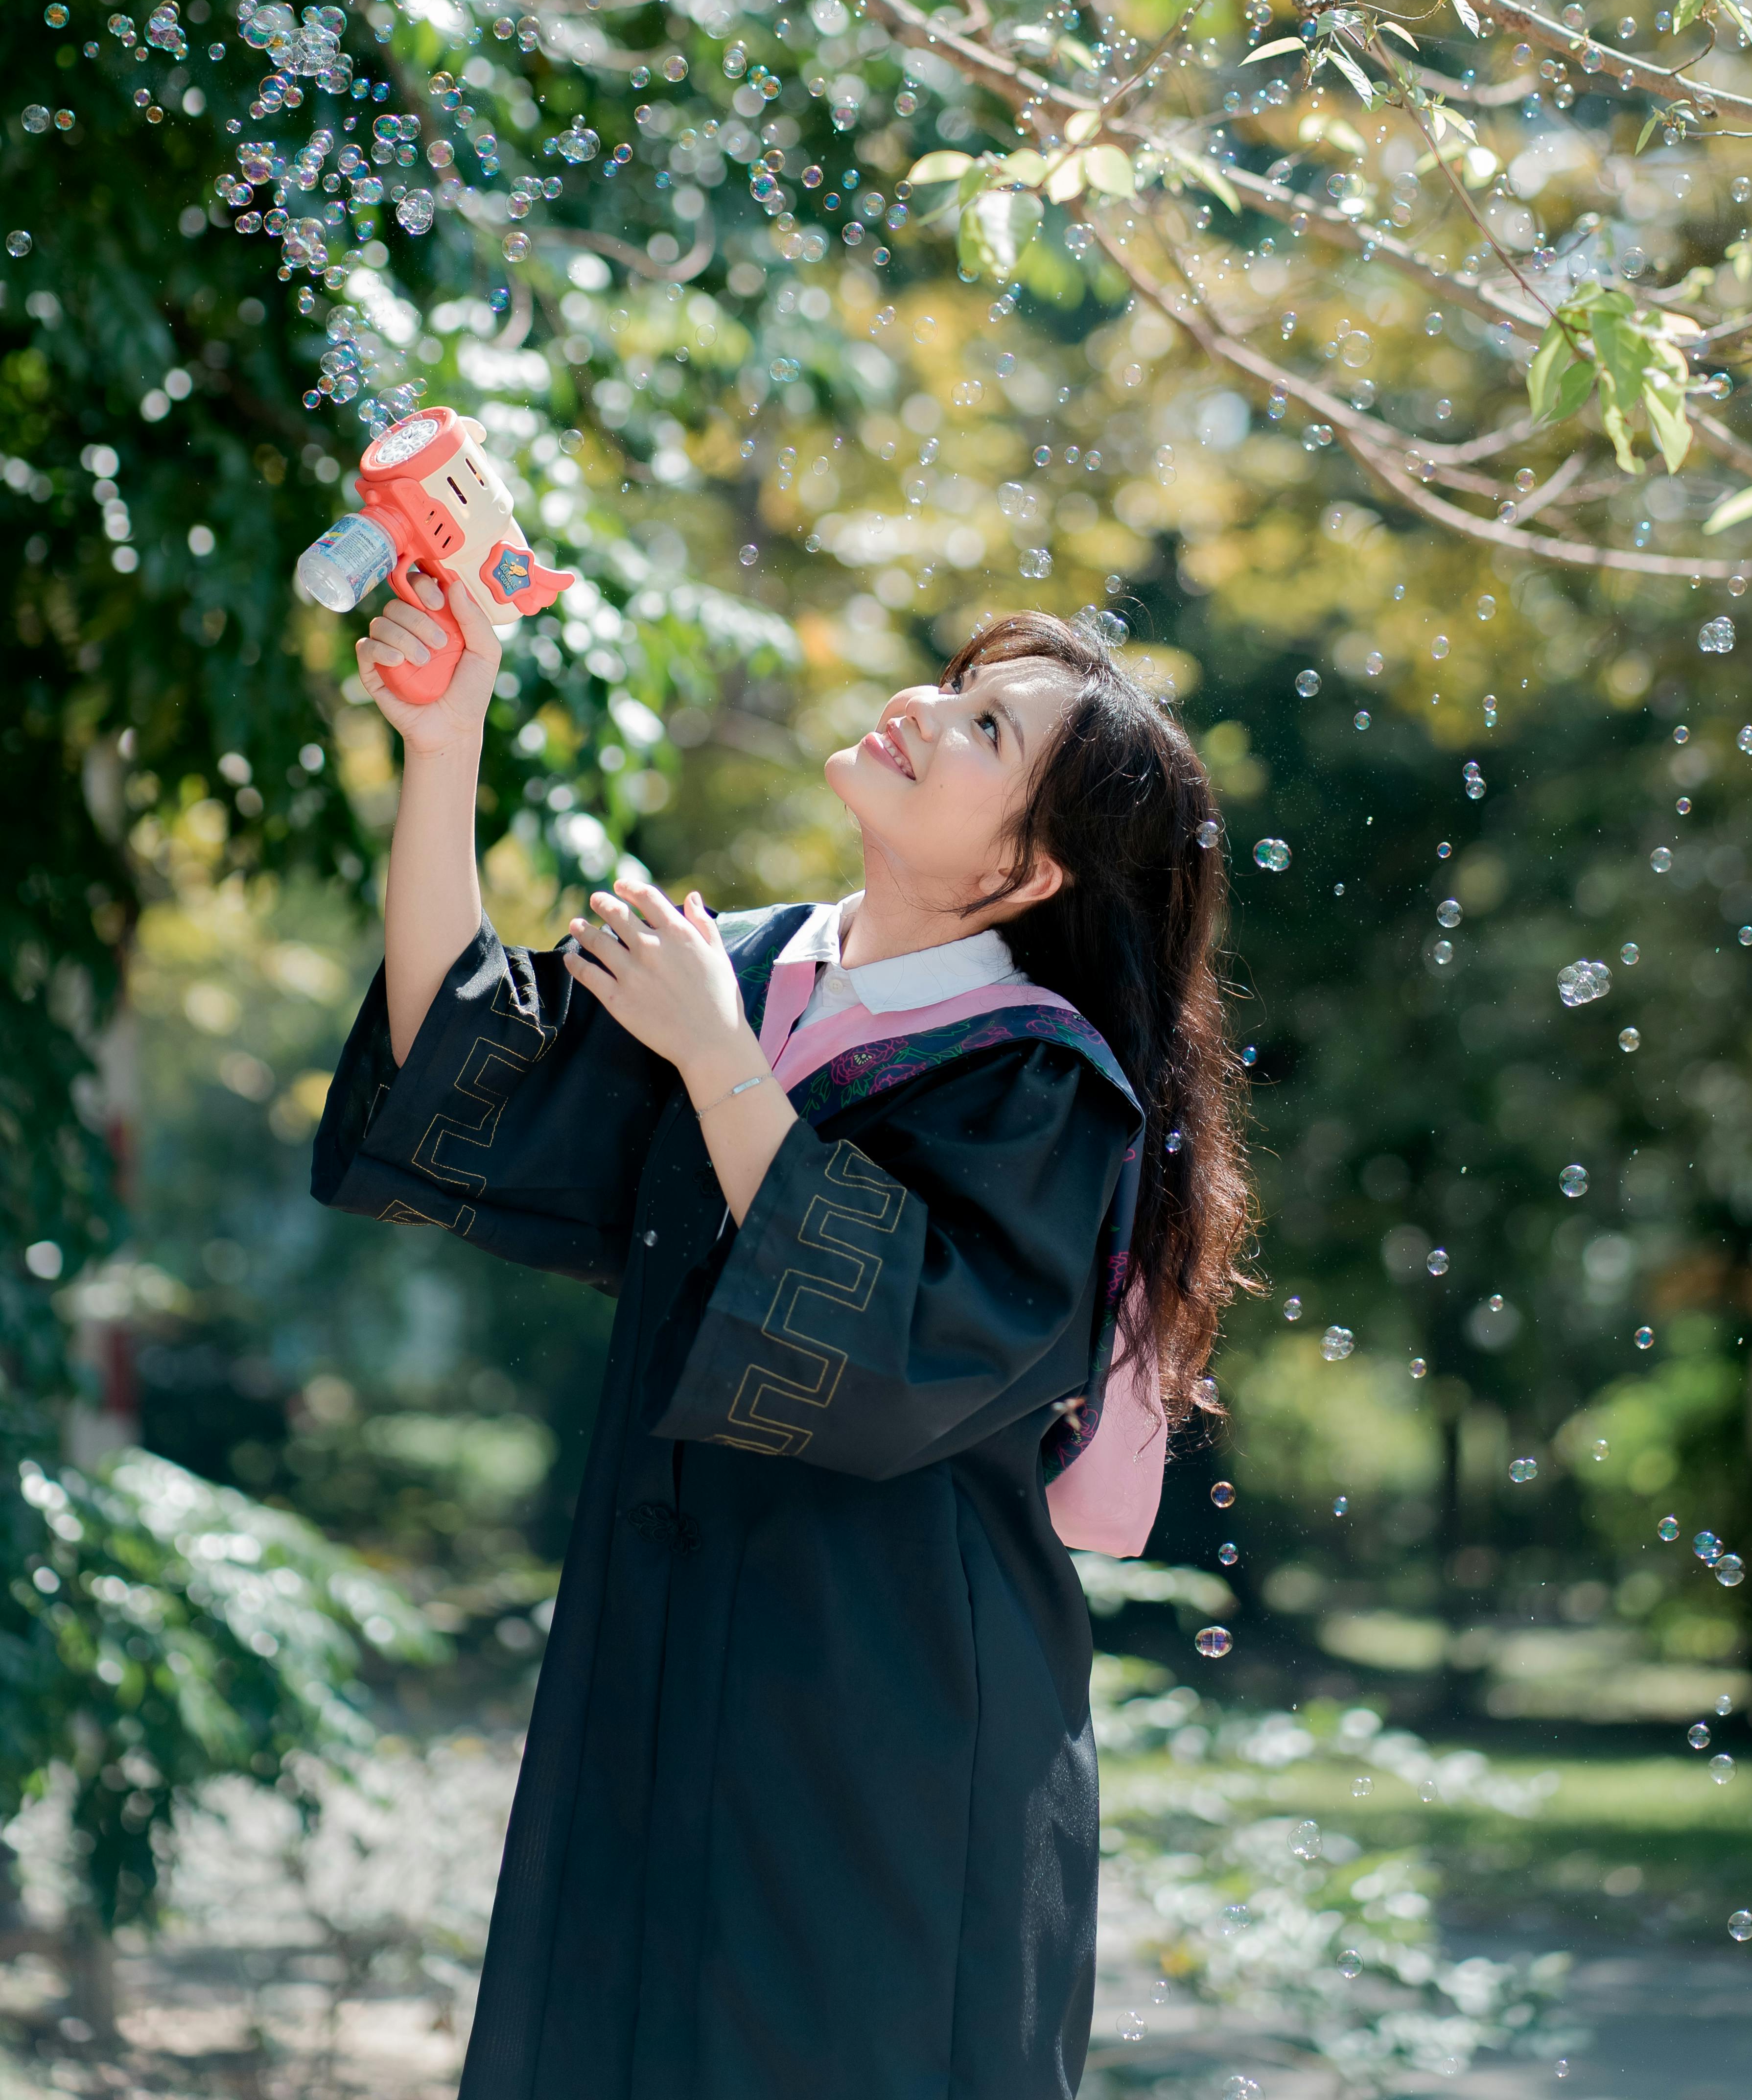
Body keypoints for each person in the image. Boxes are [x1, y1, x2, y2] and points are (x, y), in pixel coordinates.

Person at [313, 570, 1252, 2100]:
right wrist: (445, 737)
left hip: (886, 1719)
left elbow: (892, 1351)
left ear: (1028, 874)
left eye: (983, 727)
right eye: (951, 684)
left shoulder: (1039, 1086)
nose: (922, 709)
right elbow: (460, 1075)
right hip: (662, 1654)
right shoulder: (745, 973)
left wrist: (718, 1061)